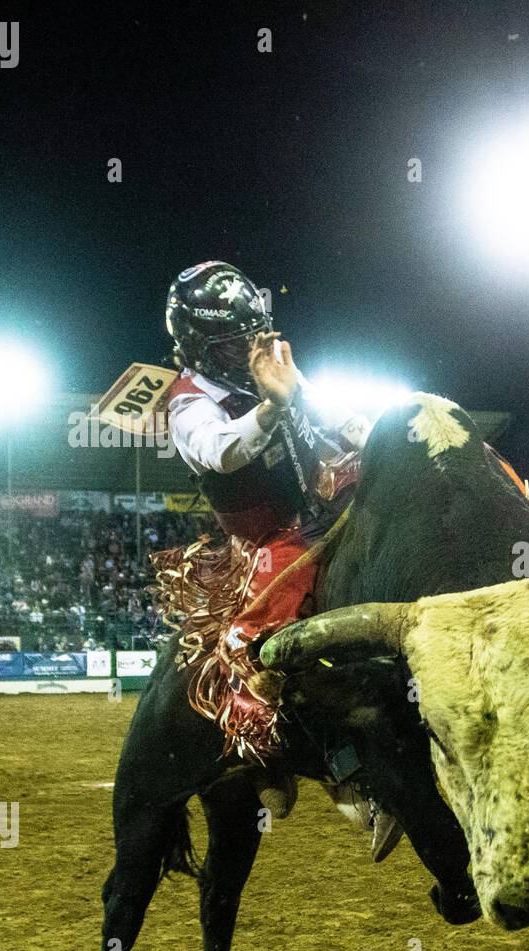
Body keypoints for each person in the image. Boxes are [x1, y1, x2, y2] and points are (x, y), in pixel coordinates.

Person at [160, 261, 401, 859]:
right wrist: (271, 407)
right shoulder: (185, 403)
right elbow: (220, 453)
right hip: (269, 538)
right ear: (199, 345)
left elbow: (331, 418)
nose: (249, 347)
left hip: (320, 501)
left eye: (253, 332)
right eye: (234, 339)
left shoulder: (274, 368)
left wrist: (371, 437)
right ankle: (300, 754)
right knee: (273, 629)